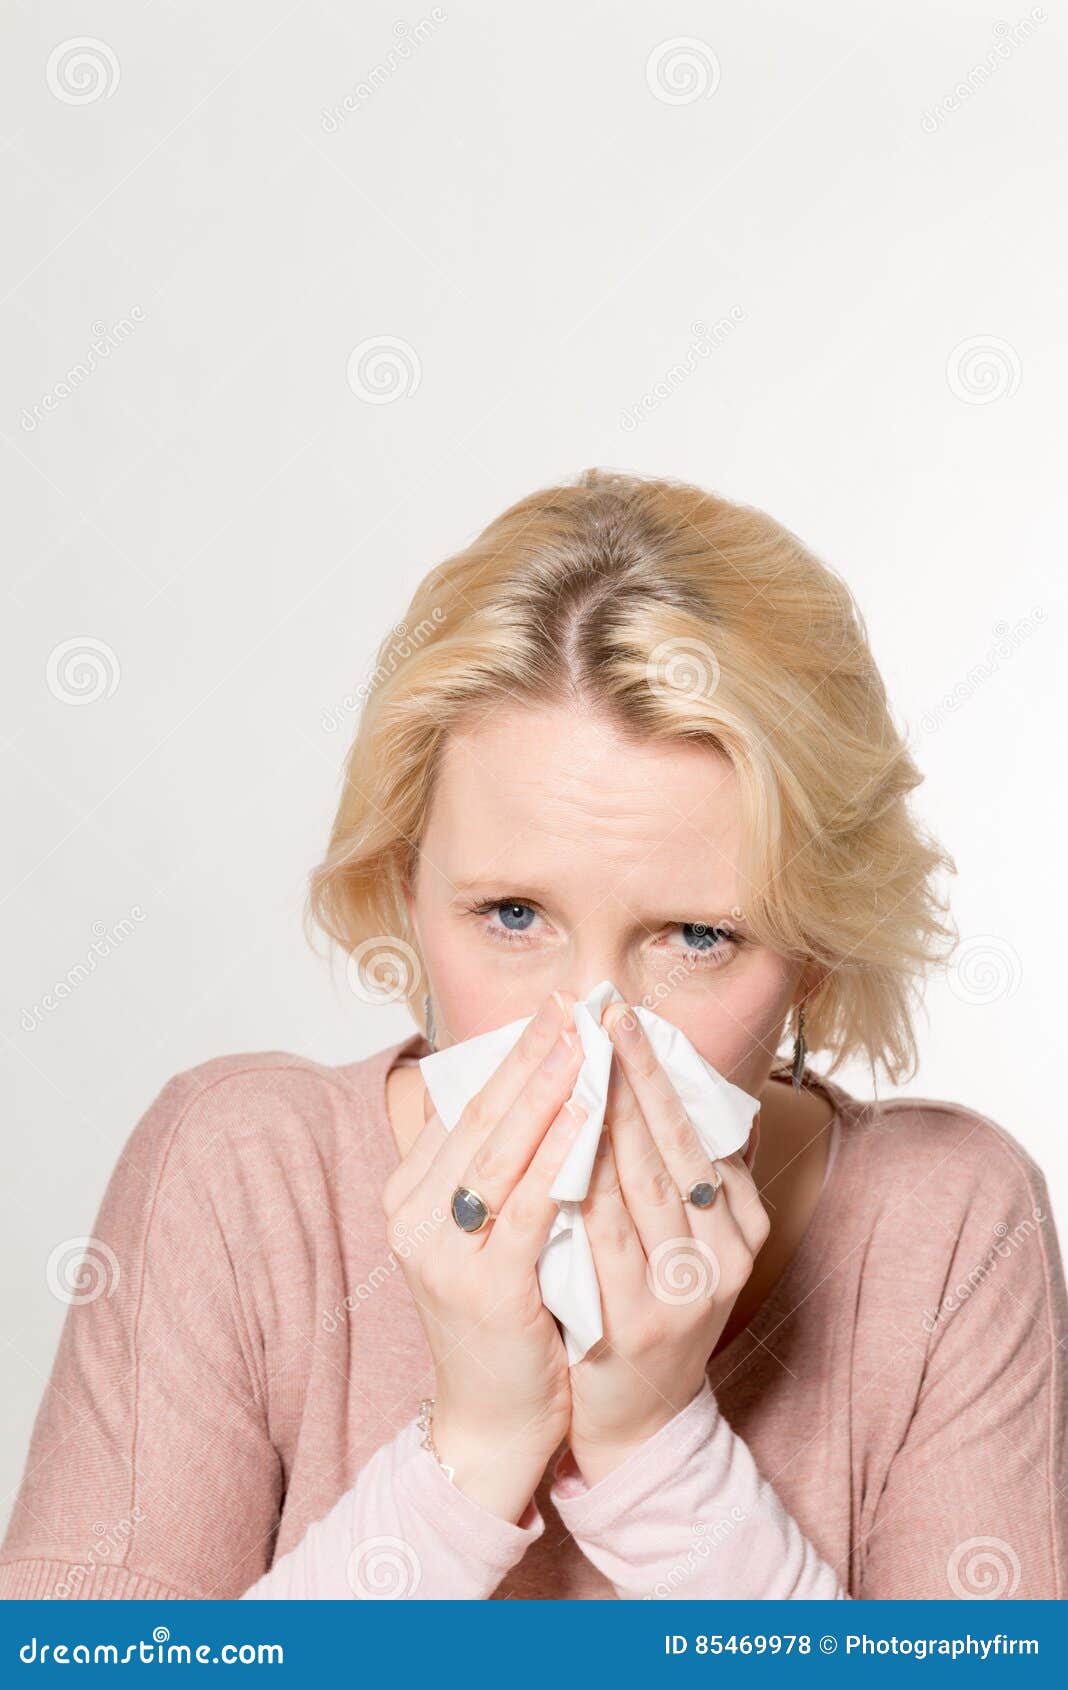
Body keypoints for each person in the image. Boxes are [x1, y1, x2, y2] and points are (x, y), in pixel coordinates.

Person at [1, 469, 1064, 1600]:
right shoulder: (240, 1175)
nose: (592, 1031)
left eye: (697, 935)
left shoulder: (945, 1224)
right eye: (514, 916)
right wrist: (471, 1451)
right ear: (404, 886)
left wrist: (663, 1458)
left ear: (817, 947)